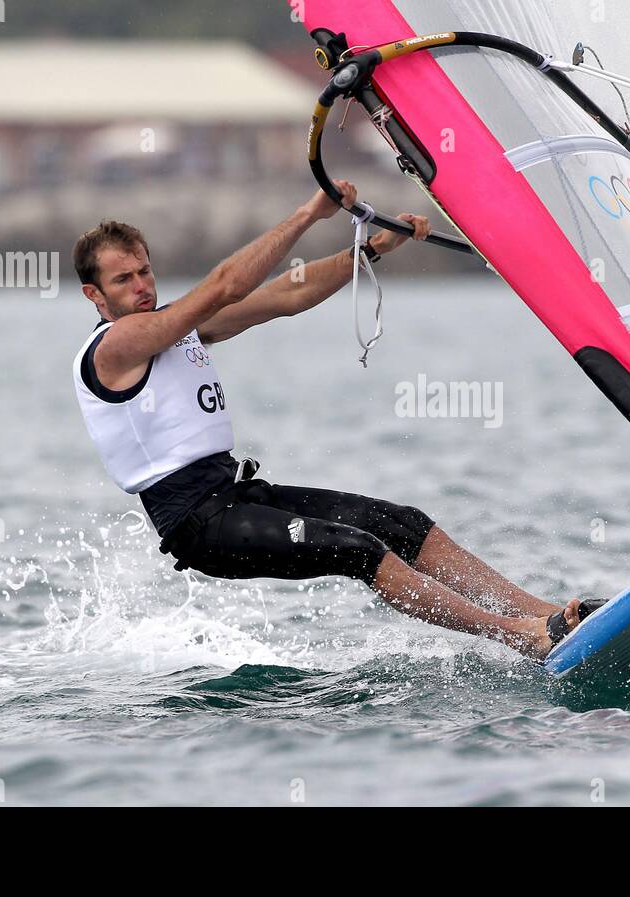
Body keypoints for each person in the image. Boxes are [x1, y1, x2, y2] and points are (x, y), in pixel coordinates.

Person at [71, 181, 584, 659]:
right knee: (361, 551)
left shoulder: (176, 328)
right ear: (95, 295)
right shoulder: (115, 347)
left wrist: (370, 252)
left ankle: (544, 614)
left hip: (238, 496)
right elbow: (226, 284)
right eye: (123, 279)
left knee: (396, 522)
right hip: (198, 526)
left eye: (144, 271)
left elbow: (285, 295)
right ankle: (521, 637)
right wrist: (308, 214)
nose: (141, 285)